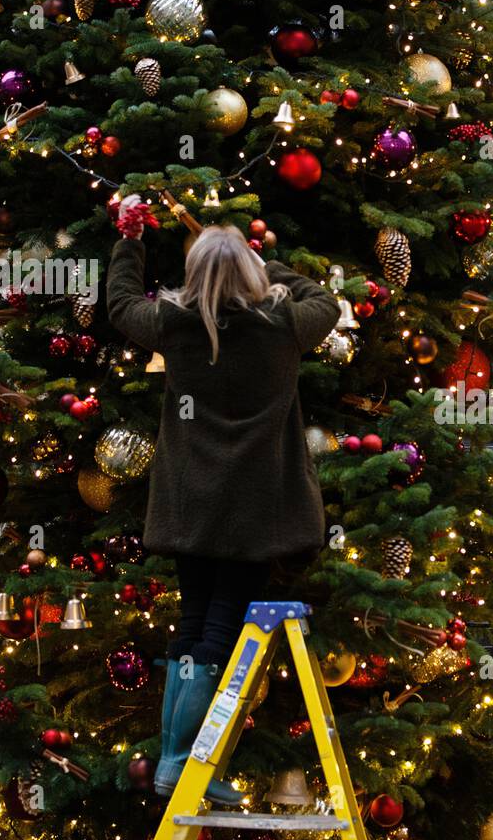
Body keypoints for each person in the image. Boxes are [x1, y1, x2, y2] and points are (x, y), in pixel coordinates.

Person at [107, 199, 340, 802]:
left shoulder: (170, 324)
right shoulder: (286, 324)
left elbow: (119, 303)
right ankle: (184, 763)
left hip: (189, 503)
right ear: (251, 274)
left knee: (193, 621)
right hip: (257, 506)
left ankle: (171, 760)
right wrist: (264, 263)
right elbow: (327, 300)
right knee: (218, 628)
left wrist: (130, 241)